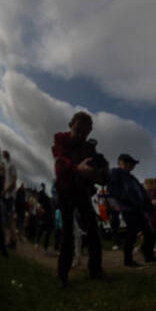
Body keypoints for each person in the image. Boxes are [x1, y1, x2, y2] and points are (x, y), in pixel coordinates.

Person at [52, 111, 107, 285]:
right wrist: (77, 169)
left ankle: (95, 270)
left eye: (85, 132)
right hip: (65, 191)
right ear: (70, 125)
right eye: (78, 131)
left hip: (82, 191)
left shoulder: (88, 147)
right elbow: (60, 164)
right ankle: (63, 275)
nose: (81, 135)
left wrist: (100, 172)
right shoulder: (61, 140)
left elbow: (98, 164)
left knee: (93, 230)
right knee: (67, 232)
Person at [105, 153, 156, 265]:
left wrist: (148, 206)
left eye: (133, 164)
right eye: (130, 163)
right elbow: (113, 191)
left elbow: (142, 193)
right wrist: (125, 201)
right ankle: (128, 260)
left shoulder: (132, 178)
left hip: (137, 209)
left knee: (149, 233)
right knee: (132, 234)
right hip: (128, 209)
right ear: (121, 162)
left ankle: (148, 255)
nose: (132, 166)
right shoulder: (115, 174)